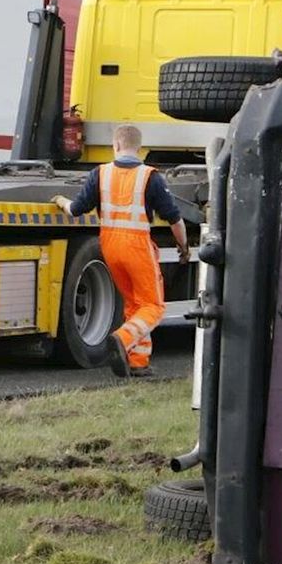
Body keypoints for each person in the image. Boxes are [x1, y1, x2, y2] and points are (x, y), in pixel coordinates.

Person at [51, 125, 189, 377]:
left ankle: (138, 363)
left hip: (110, 246)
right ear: (139, 148)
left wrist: (61, 201)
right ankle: (123, 339)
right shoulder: (150, 177)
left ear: (115, 145)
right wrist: (183, 246)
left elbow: (77, 209)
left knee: (135, 305)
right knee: (153, 306)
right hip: (137, 246)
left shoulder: (99, 174)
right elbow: (174, 219)